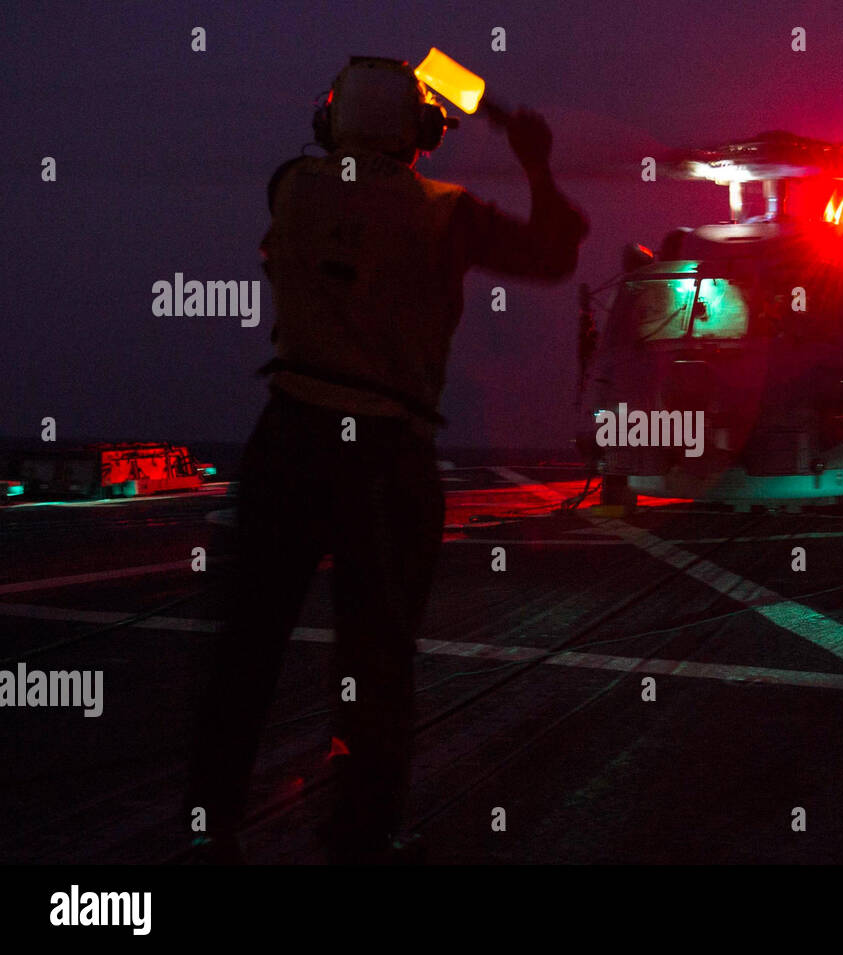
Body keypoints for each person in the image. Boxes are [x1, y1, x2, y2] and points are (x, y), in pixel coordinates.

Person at [187, 56, 588, 864]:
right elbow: (552, 254)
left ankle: (214, 823)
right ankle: (361, 835)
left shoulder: (290, 188)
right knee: (378, 661)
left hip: (290, 434)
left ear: (331, 122)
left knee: (248, 645)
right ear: (422, 133)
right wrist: (537, 161)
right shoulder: (447, 212)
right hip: (386, 452)